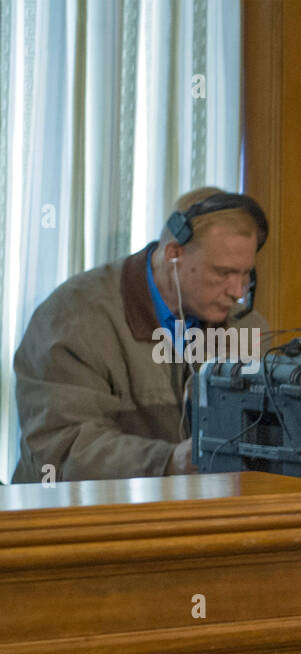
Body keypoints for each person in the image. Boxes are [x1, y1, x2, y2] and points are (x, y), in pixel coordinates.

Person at [11, 187, 267, 482]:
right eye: (224, 273)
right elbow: (61, 450)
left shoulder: (245, 325)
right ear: (174, 254)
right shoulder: (74, 317)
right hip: (73, 520)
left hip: (198, 516)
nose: (237, 292)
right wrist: (168, 462)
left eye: (246, 274)